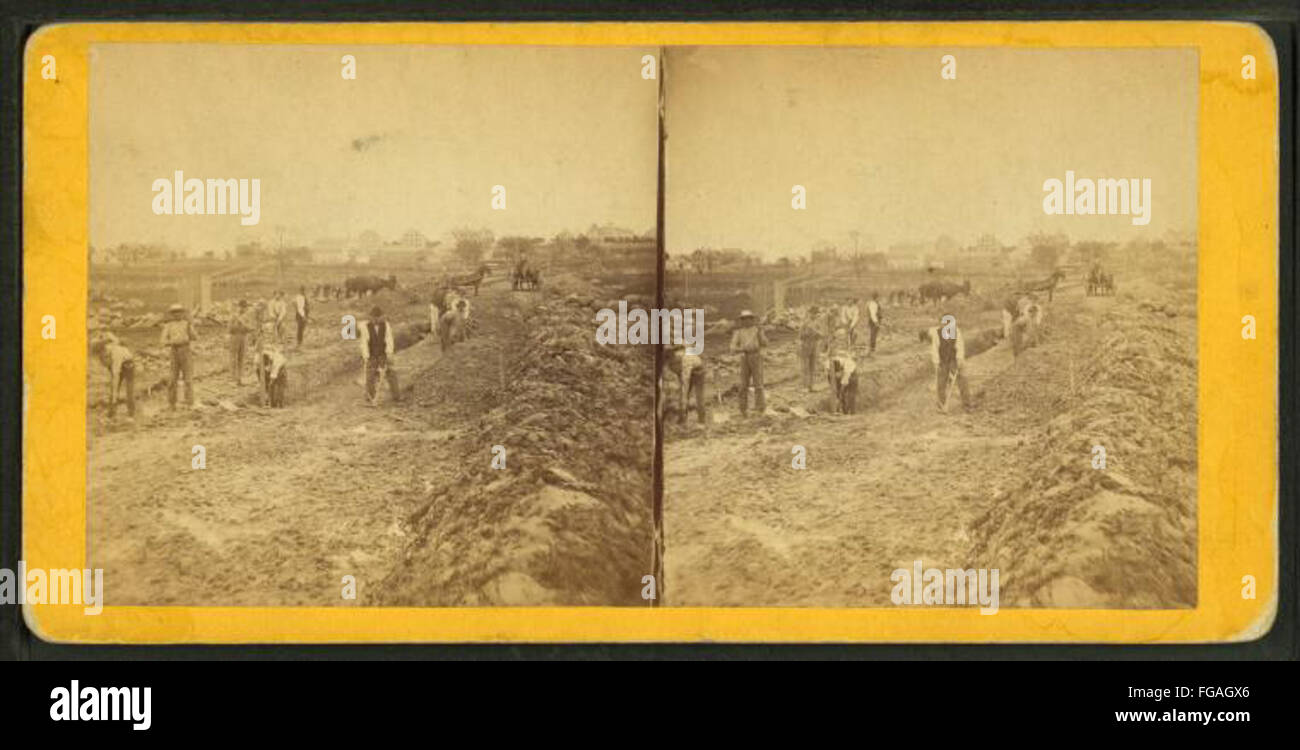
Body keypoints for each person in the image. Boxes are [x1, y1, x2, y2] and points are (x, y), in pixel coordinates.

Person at [928, 314, 971, 412]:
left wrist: (959, 359)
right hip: (943, 360)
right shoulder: (936, 333)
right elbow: (934, 348)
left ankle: (967, 404)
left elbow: (960, 346)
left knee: (962, 379)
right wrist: (936, 362)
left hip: (954, 359)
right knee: (941, 382)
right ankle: (942, 405)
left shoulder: (956, 332)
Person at [729, 310, 768, 417]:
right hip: (744, 357)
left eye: (749, 319)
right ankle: (743, 409)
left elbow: (765, 343)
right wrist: (741, 348)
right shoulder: (738, 332)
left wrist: (760, 332)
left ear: (752, 319)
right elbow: (732, 348)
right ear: (741, 321)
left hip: (756, 356)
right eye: (744, 319)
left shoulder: (757, 330)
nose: (746, 321)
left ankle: (760, 408)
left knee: (758, 384)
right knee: (743, 385)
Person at [359, 306, 401, 405]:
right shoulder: (365, 326)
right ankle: (370, 397)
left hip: (383, 354)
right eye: (374, 318)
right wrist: (366, 356)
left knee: (391, 373)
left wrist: (389, 353)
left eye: (378, 318)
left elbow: (389, 339)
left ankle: (397, 396)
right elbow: (364, 342)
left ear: (381, 317)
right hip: (372, 355)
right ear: (370, 317)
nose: (376, 320)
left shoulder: (386, 325)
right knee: (370, 375)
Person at [159, 303, 197, 409]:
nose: (177, 314)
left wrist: (190, 328)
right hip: (174, 351)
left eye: (179, 312)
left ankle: (189, 402)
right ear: (171, 314)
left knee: (188, 378)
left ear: (182, 313)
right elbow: (162, 341)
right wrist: (173, 341)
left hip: (186, 350)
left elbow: (195, 337)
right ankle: (172, 403)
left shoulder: (187, 324)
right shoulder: (168, 326)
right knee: (172, 378)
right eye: (174, 313)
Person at [92, 334, 135, 419]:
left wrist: (115, 397)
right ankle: (111, 414)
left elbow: (116, 376)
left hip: (128, 365)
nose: (101, 356)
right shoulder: (101, 352)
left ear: (105, 350)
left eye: (103, 354)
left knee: (129, 391)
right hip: (115, 364)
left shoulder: (116, 353)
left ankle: (131, 414)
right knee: (113, 390)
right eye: (100, 355)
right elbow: (108, 367)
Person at [798, 306, 824, 392]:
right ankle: (804, 386)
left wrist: (818, 334)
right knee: (805, 367)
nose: (815, 315)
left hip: (814, 345)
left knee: (813, 367)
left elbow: (821, 334)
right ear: (810, 313)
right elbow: (800, 336)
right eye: (813, 313)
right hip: (805, 345)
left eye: (816, 314)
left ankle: (811, 385)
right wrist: (808, 332)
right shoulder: (805, 322)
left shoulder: (817, 322)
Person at [228, 299, 252, 384]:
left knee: (242, 357)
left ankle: (240, 377)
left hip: (244, 337)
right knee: (233, 357)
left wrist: (243, 324)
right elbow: (229, 329)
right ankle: (232, 377)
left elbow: (250, 328)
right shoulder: (233, 316)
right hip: (235, 337)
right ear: (239, 307)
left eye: (245, 307)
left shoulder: (247, 316)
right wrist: (236, 323)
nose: (244, 309)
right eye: (242, 307)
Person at [827, 348, 858, 414]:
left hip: (852, 376)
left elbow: (845, 379)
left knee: (851, 394)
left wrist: (842, 388)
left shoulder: (848, 363)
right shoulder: (831, 362)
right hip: (842, 374)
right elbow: (829, 375)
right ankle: (844, 410)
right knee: (840, 393)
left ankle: (852, 411)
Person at [258, 343, 288, 407]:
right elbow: (267, 367)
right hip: (274, 370)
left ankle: (280, 404)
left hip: (281, 371)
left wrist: (272, 379)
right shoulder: (264, 357)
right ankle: (273, 404)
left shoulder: (277, 358)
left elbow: (275, 369)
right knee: (271, 387)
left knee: (279, 387)